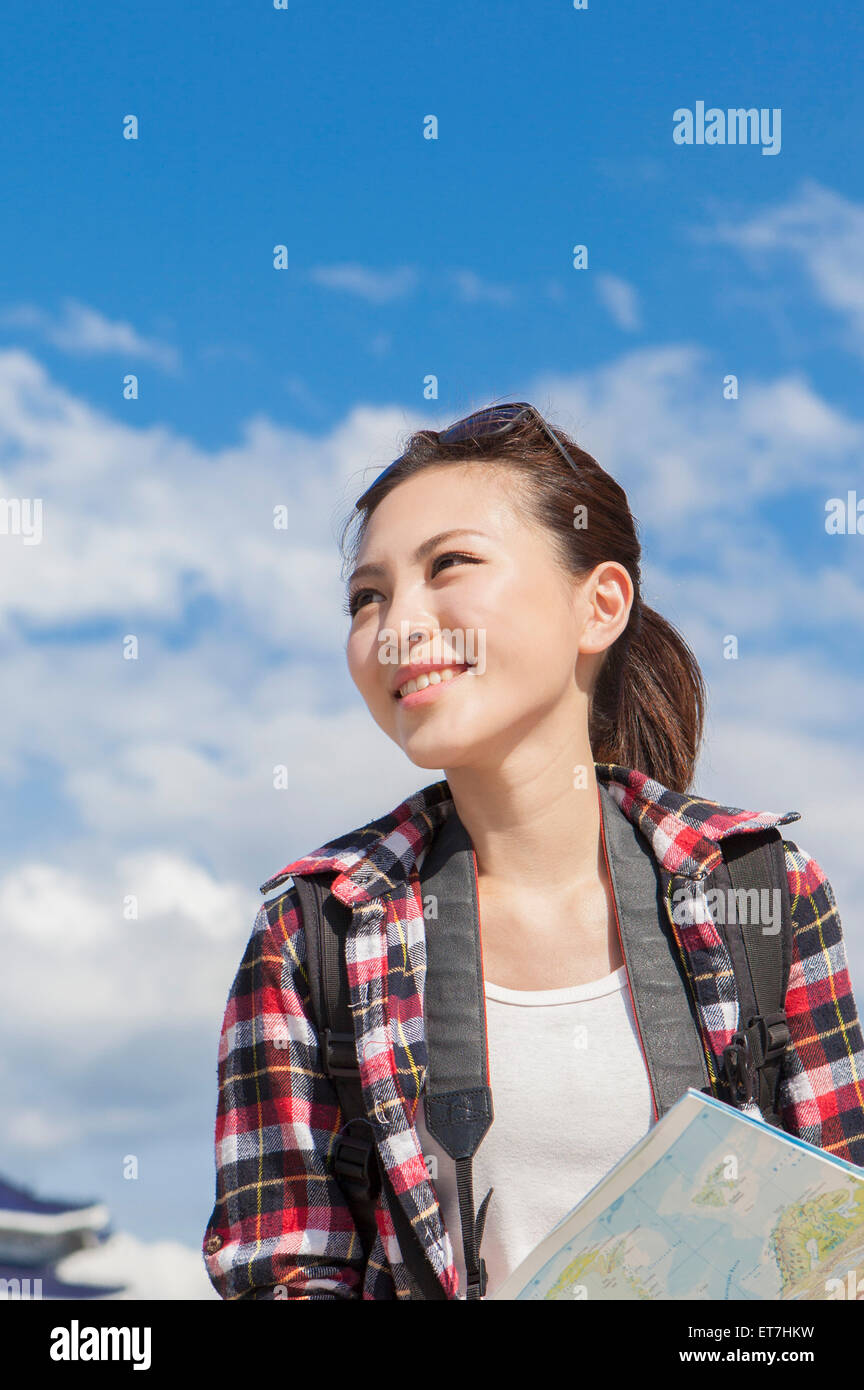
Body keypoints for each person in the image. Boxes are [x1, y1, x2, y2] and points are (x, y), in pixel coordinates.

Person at [202, 401, 864, 1300]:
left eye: (450, 566)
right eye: (368, 597)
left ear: (600, 605)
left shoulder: (762, 887)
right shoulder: (312, 926)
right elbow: (282, 1276)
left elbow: (836, 1252)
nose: (397, 626)